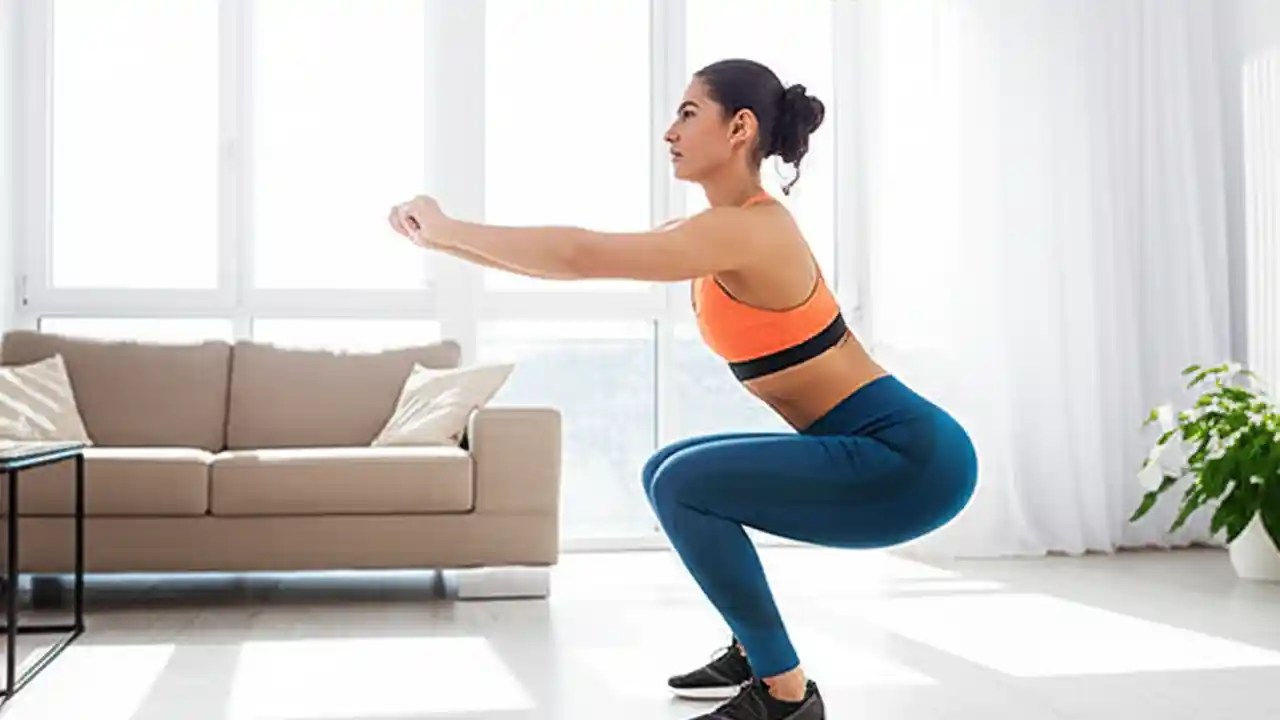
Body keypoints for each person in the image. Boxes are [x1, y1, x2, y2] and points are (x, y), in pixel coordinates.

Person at [389, 58, 978, 720]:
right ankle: (755, 649)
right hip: (877, 448)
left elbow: (583, 254)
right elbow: (569, 263)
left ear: (740, 127)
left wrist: (447, 228)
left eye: (688, 113)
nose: (670, 132)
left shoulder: (753, 229)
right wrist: (441, 241)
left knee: (682, 484)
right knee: (667, 469)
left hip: (909, 459)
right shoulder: (711, 233)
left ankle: (786, 694)